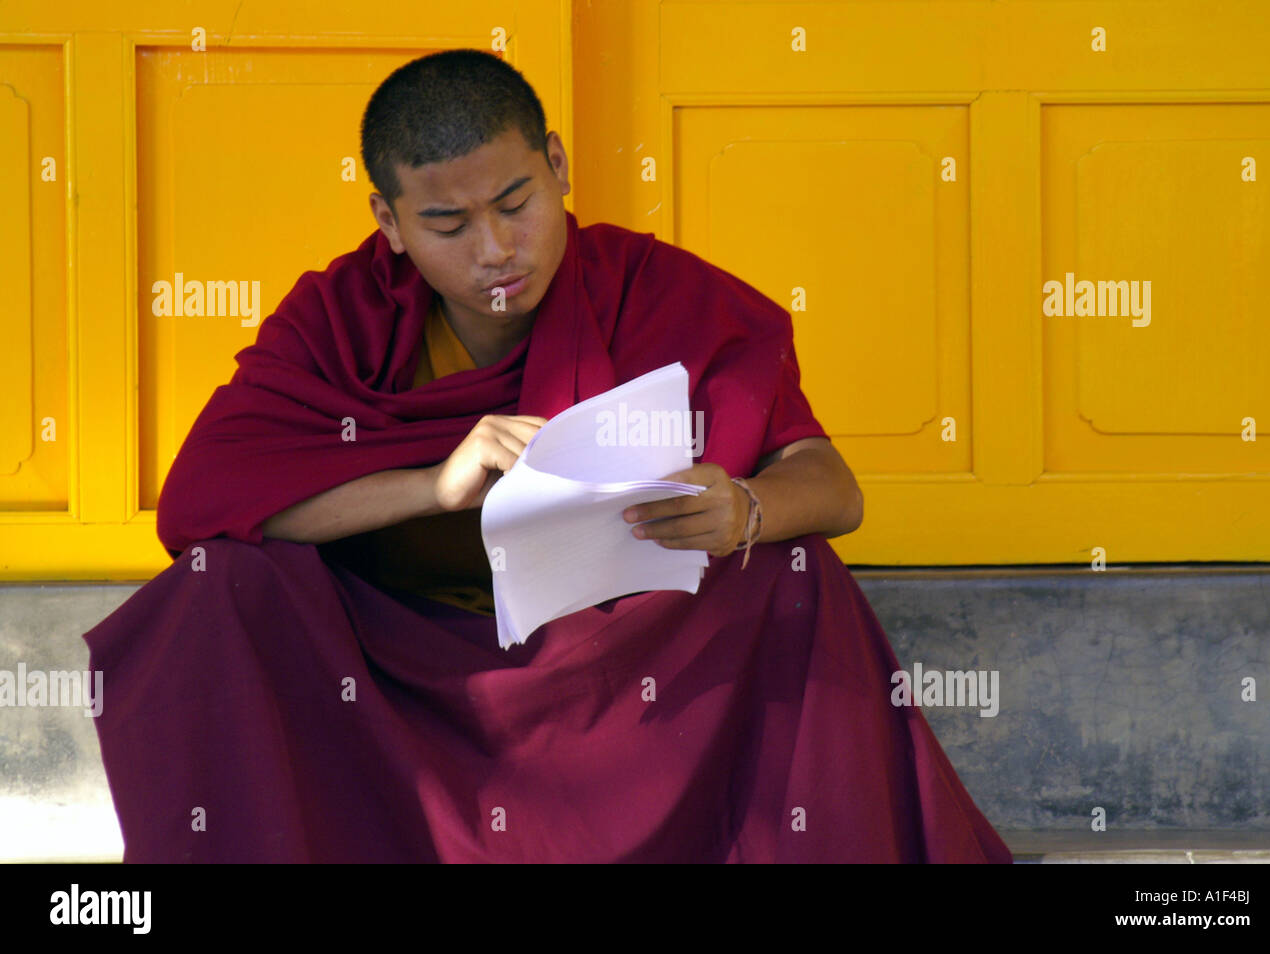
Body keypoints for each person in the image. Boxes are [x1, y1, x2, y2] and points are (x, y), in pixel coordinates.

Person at [83, 49, 1012, 863]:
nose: (496, 251)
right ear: (390, 222)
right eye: (447, 225)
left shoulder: (659, 292)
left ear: (558, 165)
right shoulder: (339, 318)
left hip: (617, 662)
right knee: (216, 585)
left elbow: (833, 487)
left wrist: (747, 510)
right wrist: (434, 483)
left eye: (516, 202)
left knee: (796, 570)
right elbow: (204, 502)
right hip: (394, 673)